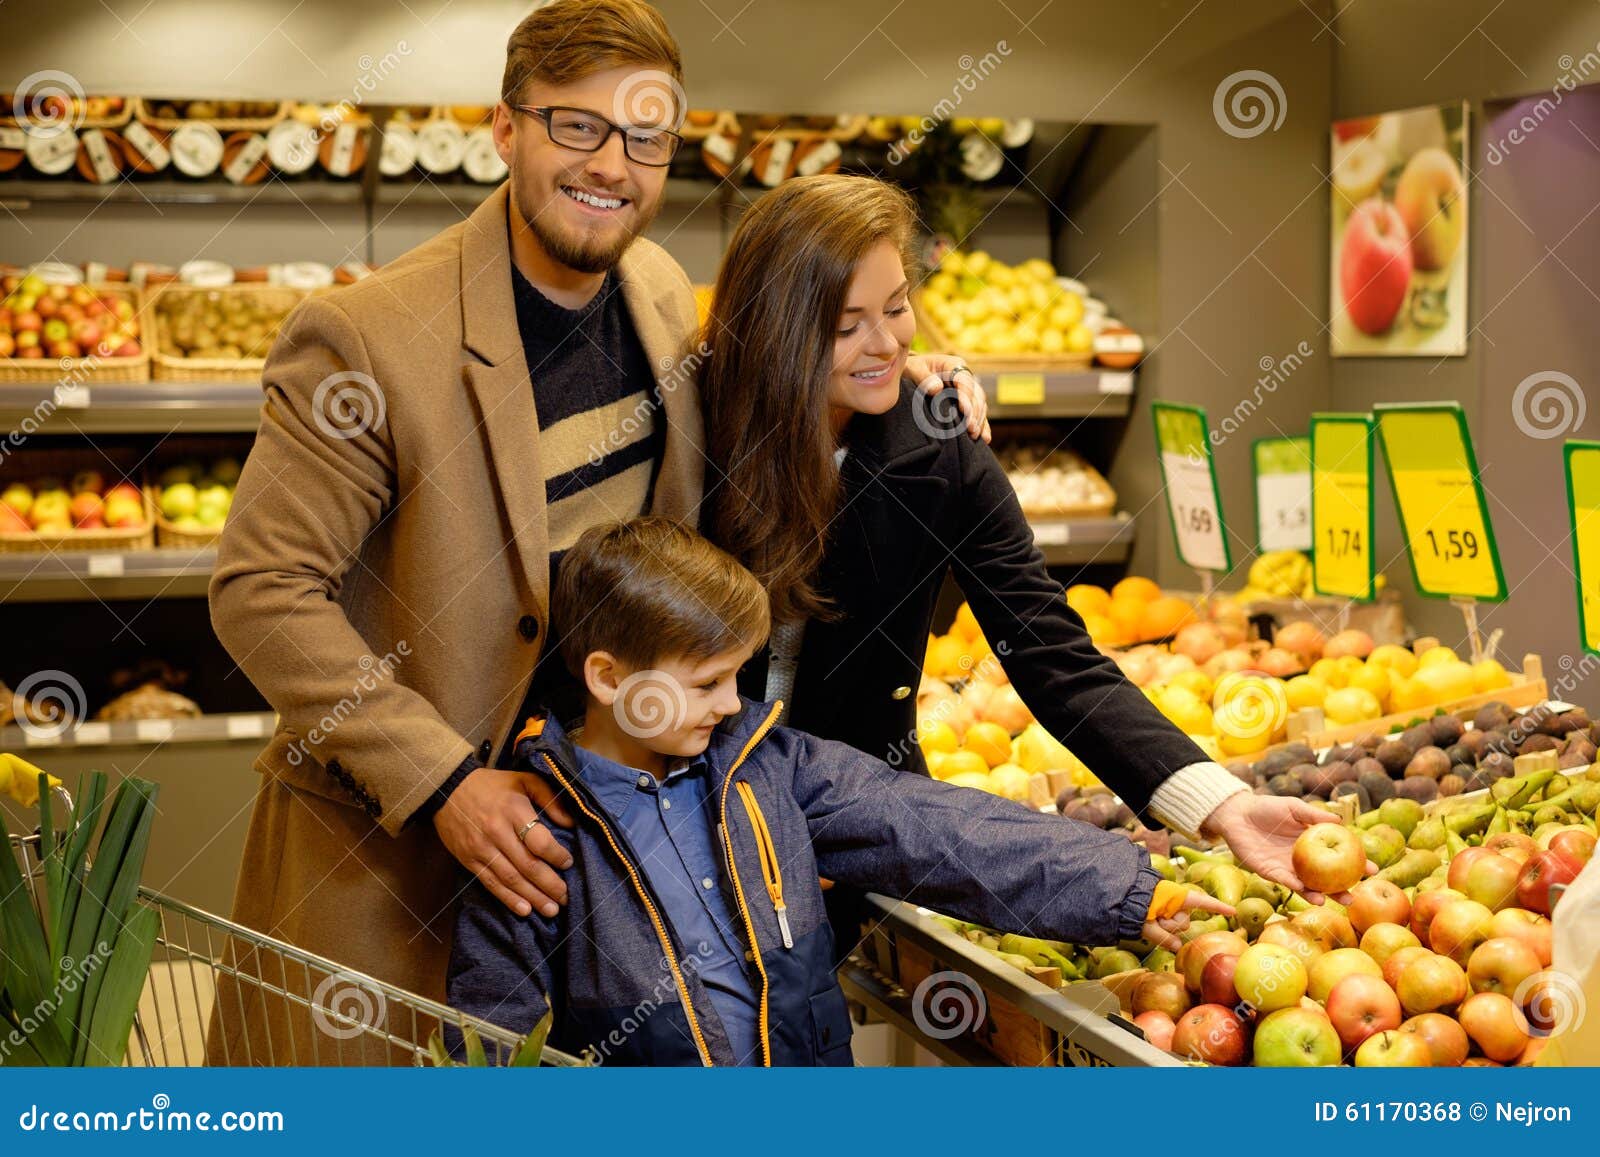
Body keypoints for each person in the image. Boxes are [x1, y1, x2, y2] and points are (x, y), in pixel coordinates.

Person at [205, 1, 980, 1063]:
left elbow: (771, 393)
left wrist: (887, 373)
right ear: (506, 129)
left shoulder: (659, 293)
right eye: (577, 126)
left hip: (597, 858)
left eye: (646, 137)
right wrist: (445, 782)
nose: (611, 165)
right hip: (396, 865)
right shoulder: (369, 335)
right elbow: (262, 589)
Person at [697, 174, 1355, 966]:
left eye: (897, 306)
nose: (888, 344)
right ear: (776, 329)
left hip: (856, 827)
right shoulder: (692, 434)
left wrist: (1221, 803)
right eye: (847, 325)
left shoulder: (937, 448)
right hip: (684, 824)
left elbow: (1050, 651)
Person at [446, 518, 1231, 1065]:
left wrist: (1130, 888)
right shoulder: (536, 838)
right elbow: (493, 1035)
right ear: (609, 678)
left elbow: (932, 826)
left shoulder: (766, 767)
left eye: (737, 676)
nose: (731, 703)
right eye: (709, 682)